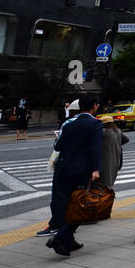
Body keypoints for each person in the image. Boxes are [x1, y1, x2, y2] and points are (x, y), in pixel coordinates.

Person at [45, 95, 102, 257]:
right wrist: (95, 169)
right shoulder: (95, 124)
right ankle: (60, 237)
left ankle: (68, 240)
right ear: (94, 107)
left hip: (63, 167)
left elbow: (58, 145)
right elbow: (95, 148)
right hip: (81, 170)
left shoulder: (69, 124)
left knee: (63, 202)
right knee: (80, 206)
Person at [101, 119, 128, 188]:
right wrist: (117, 144)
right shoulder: (118, 131)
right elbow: (126, 139)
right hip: (117, 161)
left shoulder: (104, 132)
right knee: (111, 182)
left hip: (106, 162)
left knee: (105, 184)